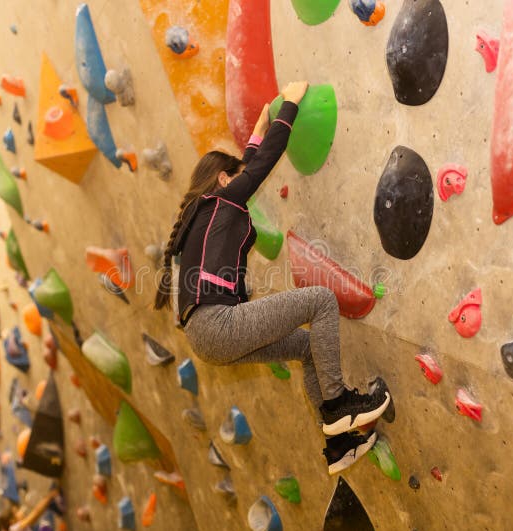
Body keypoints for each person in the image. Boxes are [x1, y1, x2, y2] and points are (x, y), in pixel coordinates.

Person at [155, 81, 390, 474]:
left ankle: (340, 447)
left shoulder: (203, 211)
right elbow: (261, 166)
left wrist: (256, 133)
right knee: (320, 300)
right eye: (234, 175)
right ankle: (338, 406)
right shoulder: (220, 200)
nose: (240, 178)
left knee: (307, 347)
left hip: (204, 339)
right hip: (219, 325)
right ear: (224, 180)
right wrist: (291, 105)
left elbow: (248, 167)